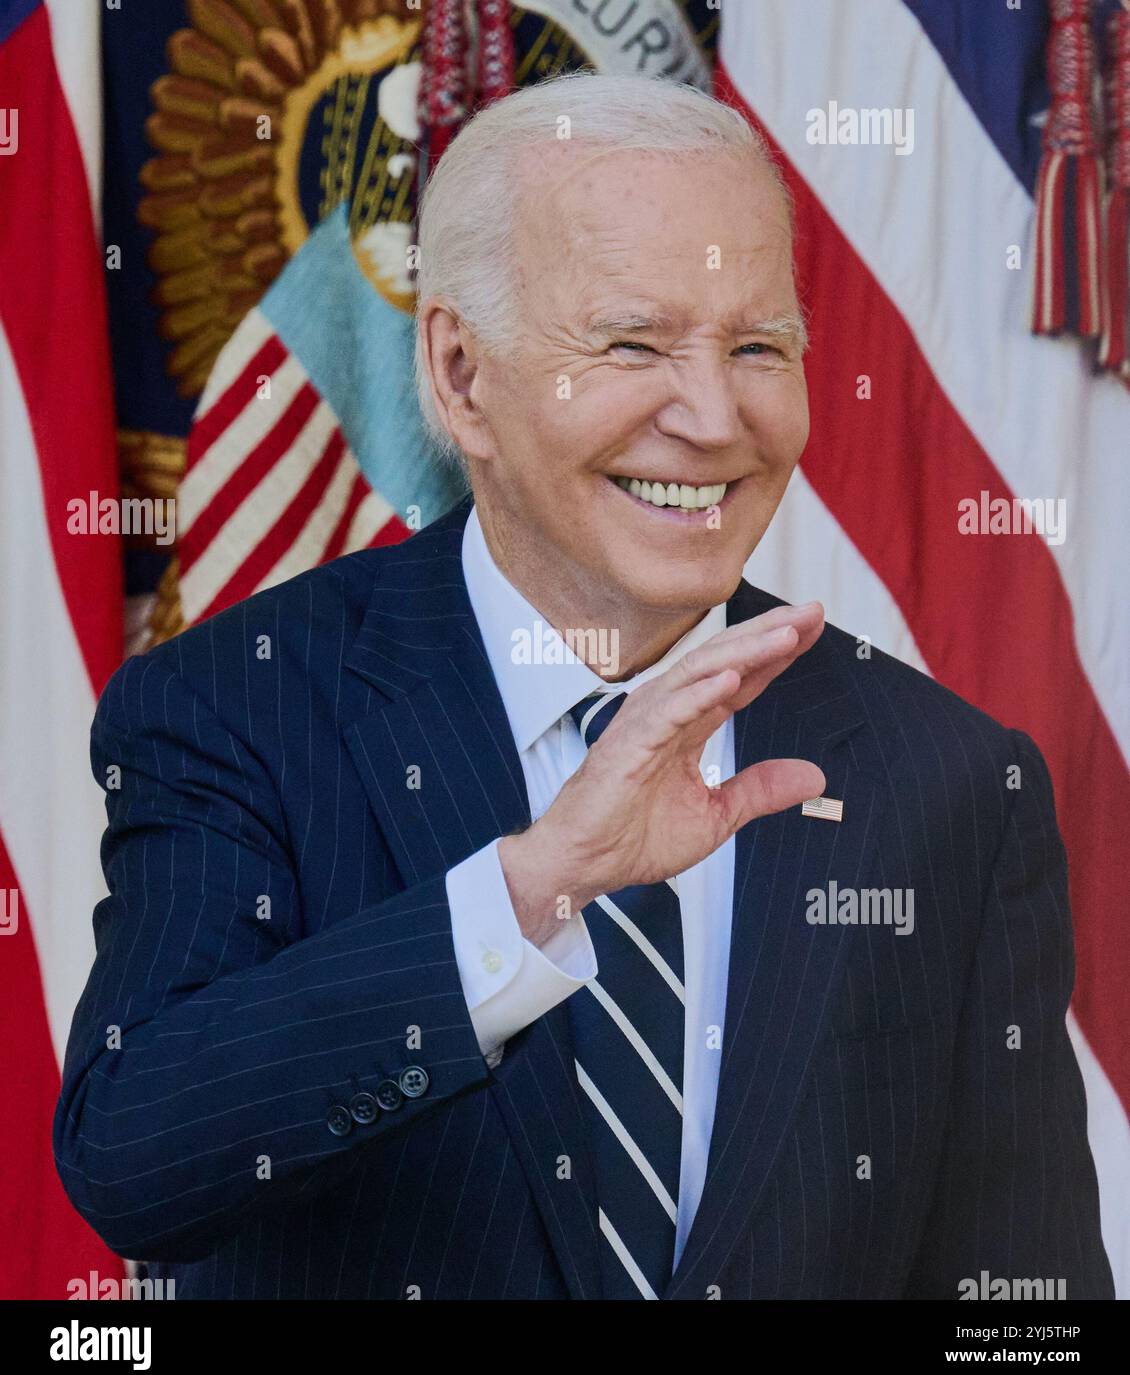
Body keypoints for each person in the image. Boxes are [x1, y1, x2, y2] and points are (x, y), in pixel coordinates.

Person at [54, 72, 1112, 1301]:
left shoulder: (948, 781)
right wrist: (530, 888)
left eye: (758, 346)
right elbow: (135, 1157)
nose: (715, 418)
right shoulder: (239, 704)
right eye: (632, 344)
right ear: (458, 374)